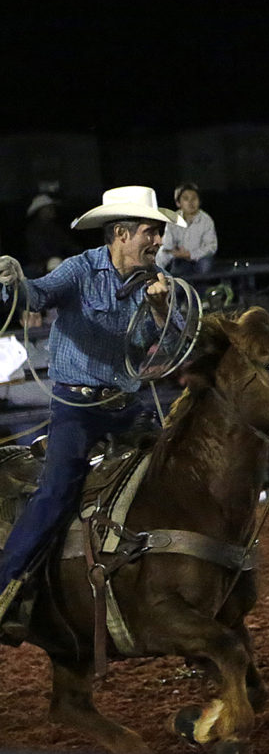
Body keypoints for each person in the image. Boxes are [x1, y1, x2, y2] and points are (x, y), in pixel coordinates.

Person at [0, 186, 184, 642]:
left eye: (159, 233)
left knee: (176, 470)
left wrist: (162, 313)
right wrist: (11, 283)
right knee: (57, 492)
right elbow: (36, 296)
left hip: (126, 406)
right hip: (78, 407)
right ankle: (4, 585)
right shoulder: (81, 270)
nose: (158, 241)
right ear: (121, 234)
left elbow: (178, 348)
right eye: (151, 231)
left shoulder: (158, 286)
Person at [155, 182, 218, 277]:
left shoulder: (206, 220)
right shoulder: (173, 219)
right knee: (171, 266)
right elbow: (167, 245)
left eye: (194, 198)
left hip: (200, 258)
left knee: (205, 266)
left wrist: (190, 254)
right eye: (186, 199)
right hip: (180, 258)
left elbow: (211, 247)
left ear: (199, 201)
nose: (190, 202)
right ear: (178, 203)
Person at [23, 191, 77, 278]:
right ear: (41, 211)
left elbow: (67, 243)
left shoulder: (54, 227)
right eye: (49, 208)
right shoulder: (34, 229)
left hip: (57, 262)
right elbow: (41, 250)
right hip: (40, 266)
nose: (53, 210)